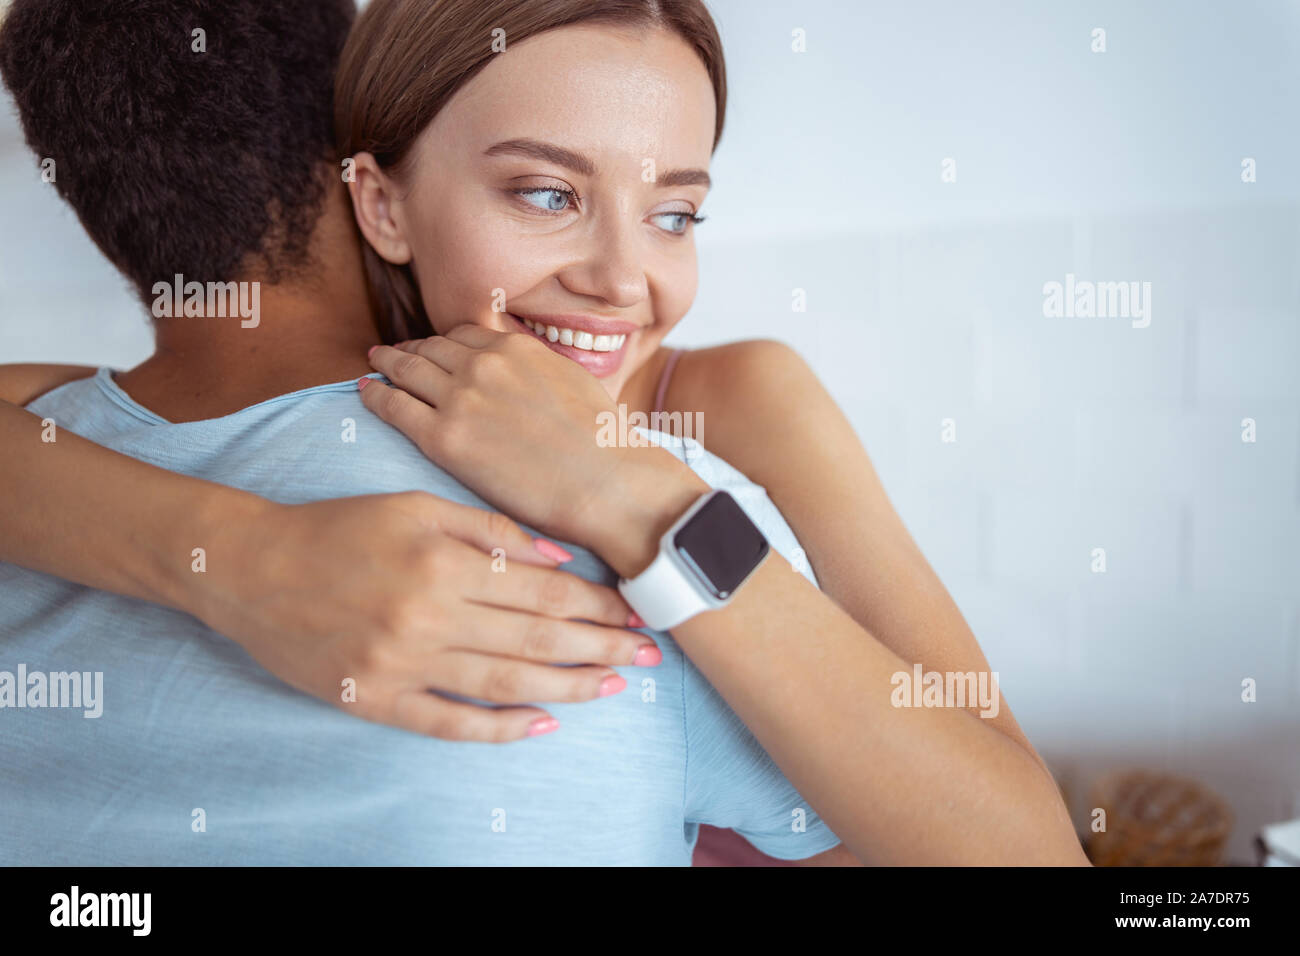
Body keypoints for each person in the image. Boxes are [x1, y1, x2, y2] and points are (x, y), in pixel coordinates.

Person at [0, 0, 1088, 864]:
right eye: (541, 192)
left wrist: (636, 493)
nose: (622, 278)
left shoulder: (731, 404)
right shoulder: (622, 529)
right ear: (376, 193)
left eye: (675, 212)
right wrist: (244, 556)